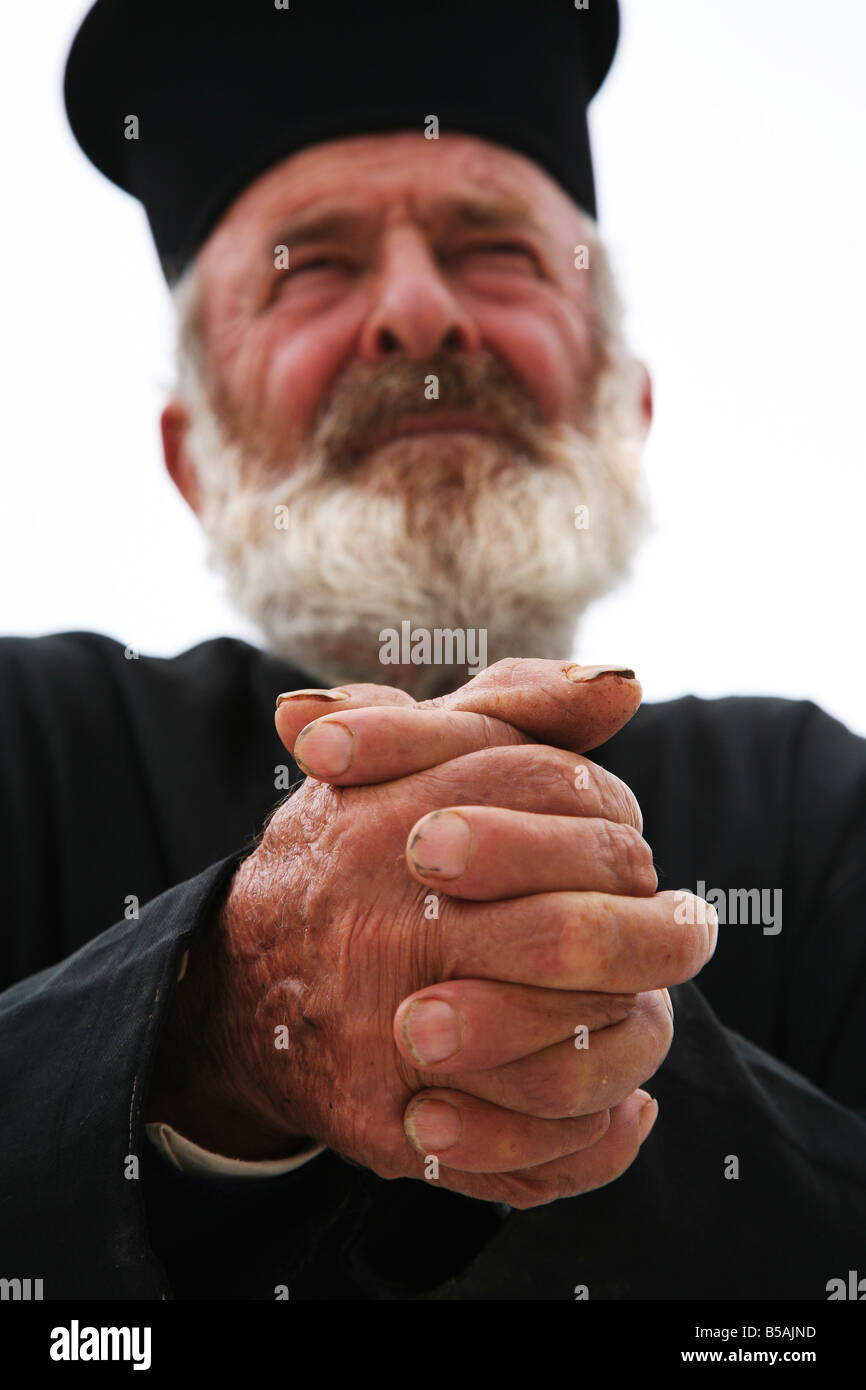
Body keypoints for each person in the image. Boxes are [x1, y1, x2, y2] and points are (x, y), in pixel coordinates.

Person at [0, 0, 863, 1302]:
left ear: (625, 400)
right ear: (194, 457)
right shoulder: (32, 751)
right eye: (310, 266)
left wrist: (575, 1013)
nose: (415, 314)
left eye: (495, 252)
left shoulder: (814, 808)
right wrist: (217, 1015)